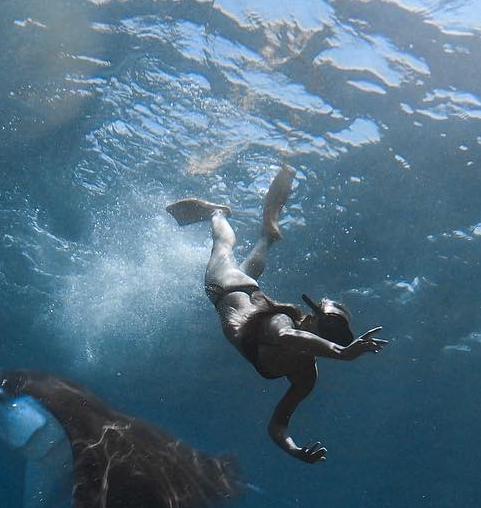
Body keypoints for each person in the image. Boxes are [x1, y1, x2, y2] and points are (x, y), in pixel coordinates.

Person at [166, 164, 388, 464]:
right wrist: (343, 353)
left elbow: (278, 425)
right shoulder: (284, 325)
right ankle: (217, 212)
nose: (309, 323)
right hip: (225, 288)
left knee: (244, 266)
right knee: (223, 248)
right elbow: (289, 336)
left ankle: (268, 236)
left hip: (245, 292)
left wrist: (294, 449)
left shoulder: (306, 375)